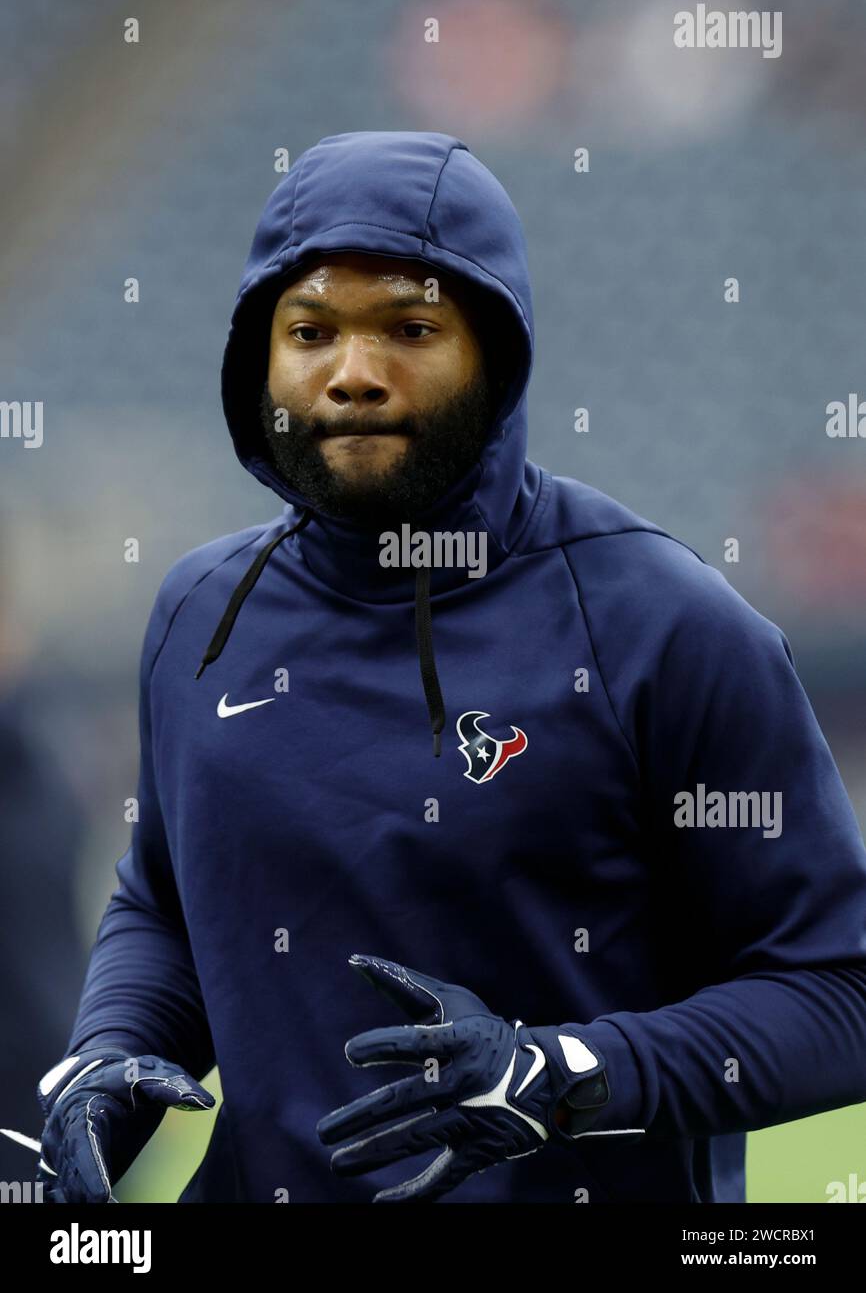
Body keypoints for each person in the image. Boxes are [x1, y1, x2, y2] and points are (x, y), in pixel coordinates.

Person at [35, 130, 866, 1204]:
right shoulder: (199, 609)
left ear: (497, 350)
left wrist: (560, 1076)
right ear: (261, 359)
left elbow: (836, 988)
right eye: (311, 330)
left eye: (410, 328)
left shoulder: (663, 625)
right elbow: (163, 903)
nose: (353, 375)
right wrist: (110, 1051)